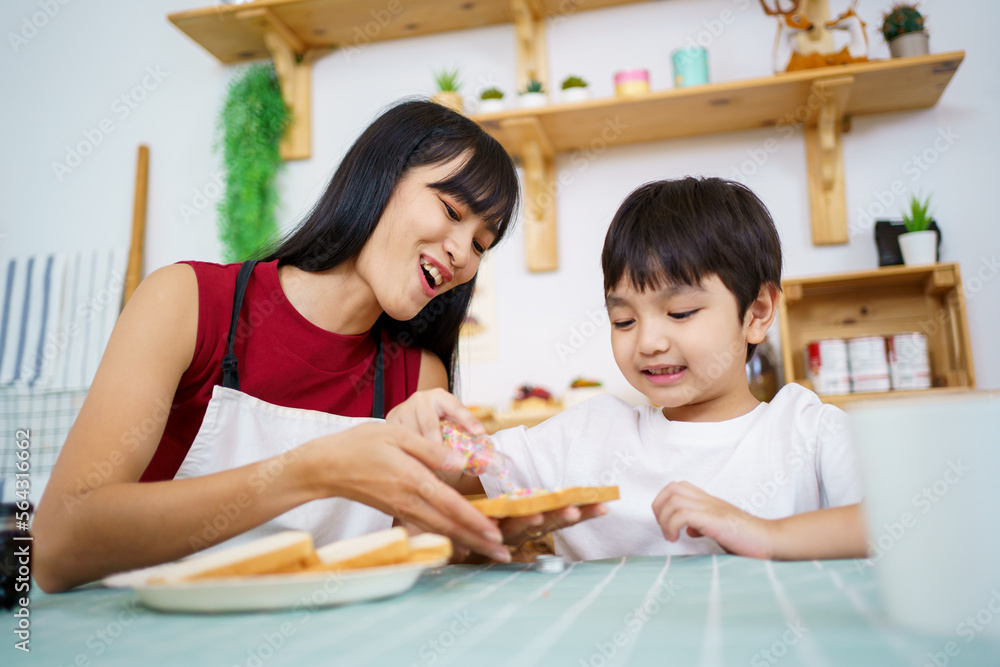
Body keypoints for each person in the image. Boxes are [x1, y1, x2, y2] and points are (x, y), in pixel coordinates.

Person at [32, 100, 524, 593]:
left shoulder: (419, 379)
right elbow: (54, 547)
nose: (462, 254)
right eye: (451, 210)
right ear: (382, 175)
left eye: (482, 243)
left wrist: (476, 538)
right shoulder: (187, 303)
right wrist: (308, 473)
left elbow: (400, 571)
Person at [460, 177, 868, 561]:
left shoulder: (809, 431)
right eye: (624, 321)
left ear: (757, 313)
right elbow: (464, 465)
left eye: (680, 312)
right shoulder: (588, 434)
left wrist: (763, 533)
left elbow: (901, 526)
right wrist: (428, 433)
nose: (648, 342)